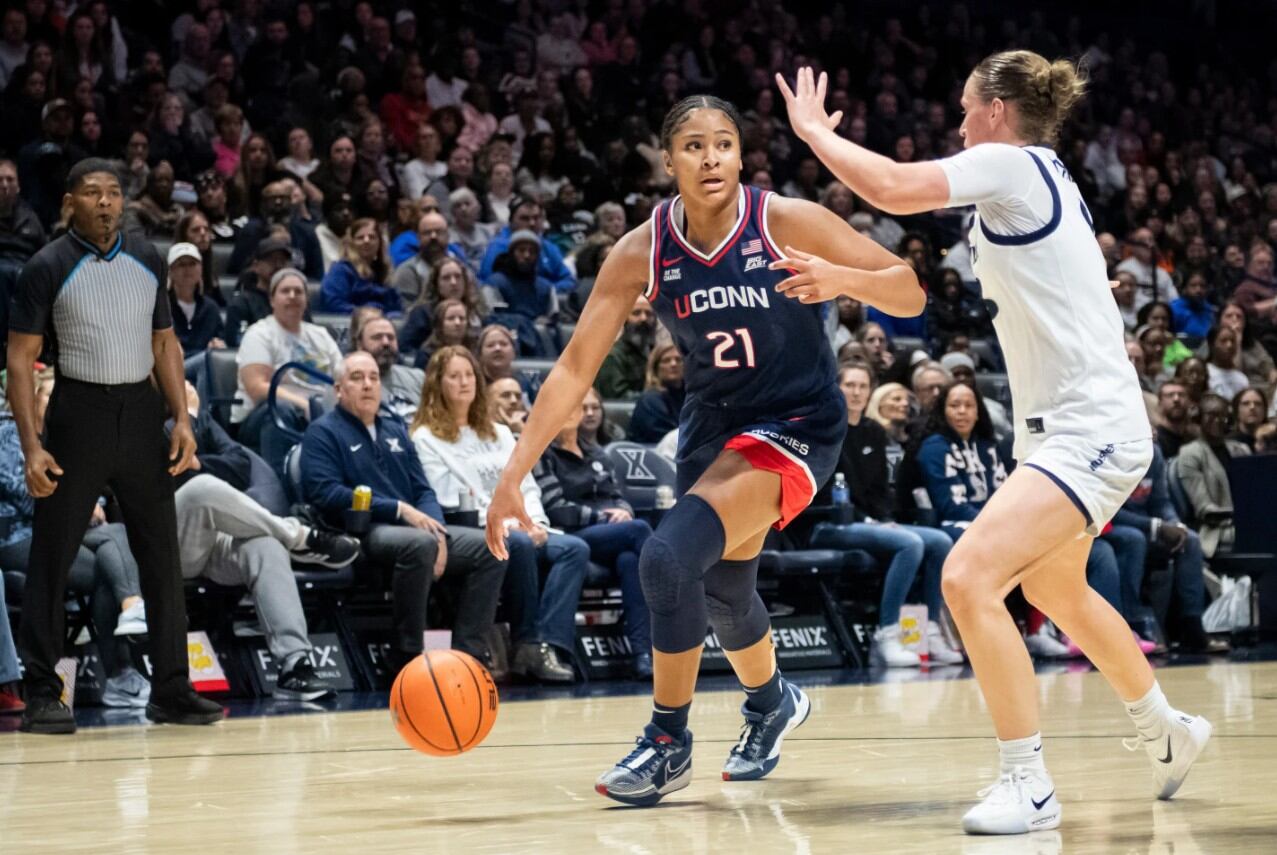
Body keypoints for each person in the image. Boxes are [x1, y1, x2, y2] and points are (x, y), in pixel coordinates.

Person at [777, 54, 1210, 833]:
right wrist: (847, 276)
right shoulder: (1030, 179)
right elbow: (916, 287)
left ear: (998, 111)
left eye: (965, 109)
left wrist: (810, 132)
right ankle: (1166, 731)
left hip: (1089, 427)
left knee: (968, 575)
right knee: (1055, 590)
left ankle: (1029, 783)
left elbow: (893, 189)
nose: (958, 122)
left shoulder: (1010, 164)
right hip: (1062, 428)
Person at [483, 94, 920, 804]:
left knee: (665, 557)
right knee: (722, 590)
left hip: (798, 420)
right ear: (667, 161)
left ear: (740, 156)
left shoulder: (785, 220)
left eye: (723, 143)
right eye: (692, 145)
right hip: (713, 423)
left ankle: (667, 738)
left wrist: (843, 281)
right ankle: (771, 700)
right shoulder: (642, 249)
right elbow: (572, 367)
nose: (709, 156)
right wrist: (513, 470)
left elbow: (908, 290)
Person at [8, 159, 222, 732]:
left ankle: (172, 689)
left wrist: (181, 418)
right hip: (79, 414)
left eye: (113, 193)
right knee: (52, 557)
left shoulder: (147, 256)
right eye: (92, 193)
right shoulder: (46, 265)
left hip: (142, 414)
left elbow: (164, 343)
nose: (105, 202)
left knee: (161, 556)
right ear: (70, 202)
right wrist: (32, 447)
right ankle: (41, 690)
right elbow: (19, 362)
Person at [301, 352, 507, 672]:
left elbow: (422, 489)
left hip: (415, 528)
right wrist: (398, 509)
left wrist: (437, 529)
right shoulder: (322, 432)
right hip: (362, 530)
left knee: (489, 547)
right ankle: (407, 652)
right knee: (419, 544)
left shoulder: (395, 429)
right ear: (339, 390)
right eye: (357, 378)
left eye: (373, 377)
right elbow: (326, 493)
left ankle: (469, 654)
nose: (368, 384)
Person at [172, 384, 358, 700]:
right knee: (201, 488)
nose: (186, 383)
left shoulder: (202, 419)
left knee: (267, 545)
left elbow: (240, 464)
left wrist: (200, 462)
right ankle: (299, 536)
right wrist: (186, 416)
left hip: (211, 539)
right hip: (164, 543)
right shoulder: (140, 413)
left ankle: (294, 667)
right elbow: (168, 465)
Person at [410, 347, 585, 681]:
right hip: (479, 527)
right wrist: (509, 525)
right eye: (454, 376)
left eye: (469, 375)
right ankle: (526, 641)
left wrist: (536, 523)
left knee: (574, 550)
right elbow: (449, 497)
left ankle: (549, 644)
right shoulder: (425, 438)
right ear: (437, 384)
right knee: (515, 545)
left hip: (522, 525)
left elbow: (527, 485)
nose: (464, 383)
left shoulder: (499, 432)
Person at [0, 372, 153, 710]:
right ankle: (120, 673)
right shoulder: (9, 435)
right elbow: (27, 497)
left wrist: (87, 505)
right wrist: (84, 506)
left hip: (71, 529)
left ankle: (131, 613)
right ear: (34, 400)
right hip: (19, 537)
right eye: (49, 396)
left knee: (116, 534)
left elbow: (95, 489)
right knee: (104, 570)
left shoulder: (70, 437)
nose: (57, 403)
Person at [810, 364, 960, 667]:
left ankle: (928, 630)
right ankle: (887, 634)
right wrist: (871, 521)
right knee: (910, 543)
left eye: (862, 386)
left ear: (870, 390)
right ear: (836, 389)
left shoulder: (873, 431)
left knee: (941, 541)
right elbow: (824, 492)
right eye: (849, 385)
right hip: (826, 523)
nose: (856, 392)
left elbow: (879, 491)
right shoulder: (822, 431)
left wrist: (882, 518)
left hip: (869, 522)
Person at [533, 396, 654, 677]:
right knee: (640, 530)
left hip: (614, 536)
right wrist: (603, 517)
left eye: (574, 407)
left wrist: (622, 511)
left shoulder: (597, 453)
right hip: (570, 534)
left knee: (629, 560)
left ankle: (643, 655)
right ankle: (676, 605)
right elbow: (556, 508)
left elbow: (619, 498)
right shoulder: (543, 453)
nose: (571, 412)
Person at [1106, 444, 1219, 653]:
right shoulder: (1110, 452)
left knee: (1190, 540)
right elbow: (1108, 509)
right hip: (1111, 525)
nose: (1153, 434)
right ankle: (1132, 622)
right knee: (1134, 540)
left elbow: (1161, 501)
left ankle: (1192, 626)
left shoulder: (1153, 453)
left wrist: (1175, 524)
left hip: (1148, 524)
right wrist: (1156, 526)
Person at [231, 268, 343, 471]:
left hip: (320, 412)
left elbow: (342, 378)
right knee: (281, 408)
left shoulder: (320, 335)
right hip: (262, 415)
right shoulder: (259, 334)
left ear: (306, 299)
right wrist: (304, 404)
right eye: (285, 291)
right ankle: (281, 487)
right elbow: (257, 387)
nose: (292, 296)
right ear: (272, 300)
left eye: (298, 291)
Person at [1176, 394, 1251, 558]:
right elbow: (1205, 510)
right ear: (1199, 418)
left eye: (1223, 416)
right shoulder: (1191, 453)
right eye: (1212, 415)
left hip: (1247, 524)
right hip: (1216, 530)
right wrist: (1245, 515)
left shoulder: (1241, 450)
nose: (1218, 420)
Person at [0, 158, 45, 367]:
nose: (5, 185)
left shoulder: (30, 216)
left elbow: (42, 252)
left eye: (10, 179)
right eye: (0, 180)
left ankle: (31, 348)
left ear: (18, 186)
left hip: (25, 270)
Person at [319, 217, 400, 315]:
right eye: (360, 238)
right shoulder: (341, 270)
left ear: (380, 243)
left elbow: (396, 306)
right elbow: (333, 304)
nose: (366, 241)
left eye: (372, 237)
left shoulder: (384, 271)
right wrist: (367, 314)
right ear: (351, 243)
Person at [223, 237, 293, 347]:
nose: (278, 266)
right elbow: (237, 344)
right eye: (271, 260)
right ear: (256, 266)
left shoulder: (295, 300)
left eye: (282, 261)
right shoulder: (241, 303)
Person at [167, 242, 224, 371]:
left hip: (205, 368)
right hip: (172, 370)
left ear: (201, 269)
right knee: (206, 360)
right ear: (170, 271)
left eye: (192, 264)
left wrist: (217, 344)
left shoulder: (211, 308)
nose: (187, 269)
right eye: (181, 264)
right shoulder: (161, 307)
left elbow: (220, 339)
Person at [355, 315, 424, 421]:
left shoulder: (418, 378)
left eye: (391, 337)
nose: (386, 343)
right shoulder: (346, 383)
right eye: (377, 337)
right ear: (360, 345)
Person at [596, 295, 656, 399]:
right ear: (624, 319)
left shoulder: (654, 351)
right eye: (636, 313)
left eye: (649, 313)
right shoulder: (612, 355)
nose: (643, 318)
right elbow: (616, 396)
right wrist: (657, 398)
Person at [628, 342, 685, 444]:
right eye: (666, 360)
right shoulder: (650, 400)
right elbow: (670, 439)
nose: (673, 364)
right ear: (656, 367)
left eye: (678, 359)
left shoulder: (690, 395)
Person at [1204, 325, 1250, 401]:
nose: (1229, 345)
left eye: (1233, 341)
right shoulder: (1204, 372)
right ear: (1211, 345)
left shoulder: (1242, 378)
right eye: (1223, 341)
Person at [1154, 380, 1195, 459]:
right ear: (1160, 403)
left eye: (1181, 395)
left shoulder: (1195, 438)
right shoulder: (1155, 440)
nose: (1176, 399)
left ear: (1190, 402)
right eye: (1170, 395)